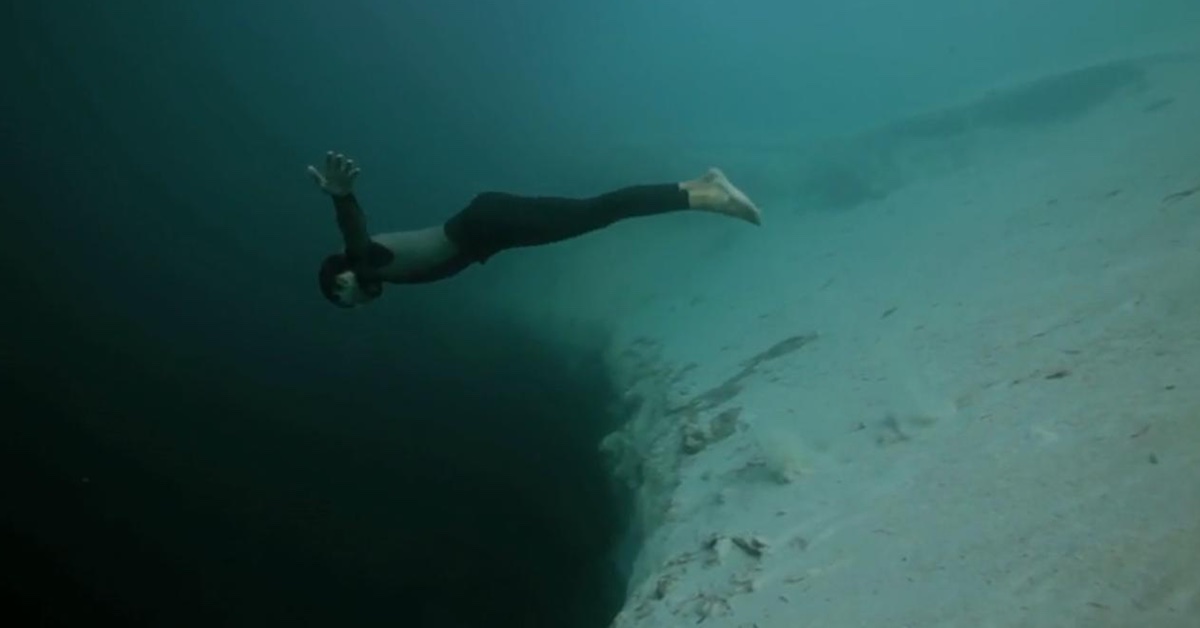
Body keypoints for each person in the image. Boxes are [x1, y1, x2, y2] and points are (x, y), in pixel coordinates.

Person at [310, 151, 762, 308]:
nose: (355, 302)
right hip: (490, 227)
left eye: (343, 298)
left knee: (598, 211)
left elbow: (353, 233)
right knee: (598, 212)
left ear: (342, 280)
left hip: (486, 224)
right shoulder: (373, 270)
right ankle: (699, 189)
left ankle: (706, 195)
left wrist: (341, 196)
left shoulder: (362, 261)